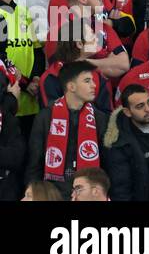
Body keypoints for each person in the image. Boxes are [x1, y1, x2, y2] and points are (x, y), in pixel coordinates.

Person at [26, 60, 110, 198]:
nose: (94, 85)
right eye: (87, 81)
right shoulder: (45, 117)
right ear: (71, 86)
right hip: (52, 194)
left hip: (89, 196)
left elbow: (109, 165)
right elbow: (34, 164)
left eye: (93, 80)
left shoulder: (100, 119)